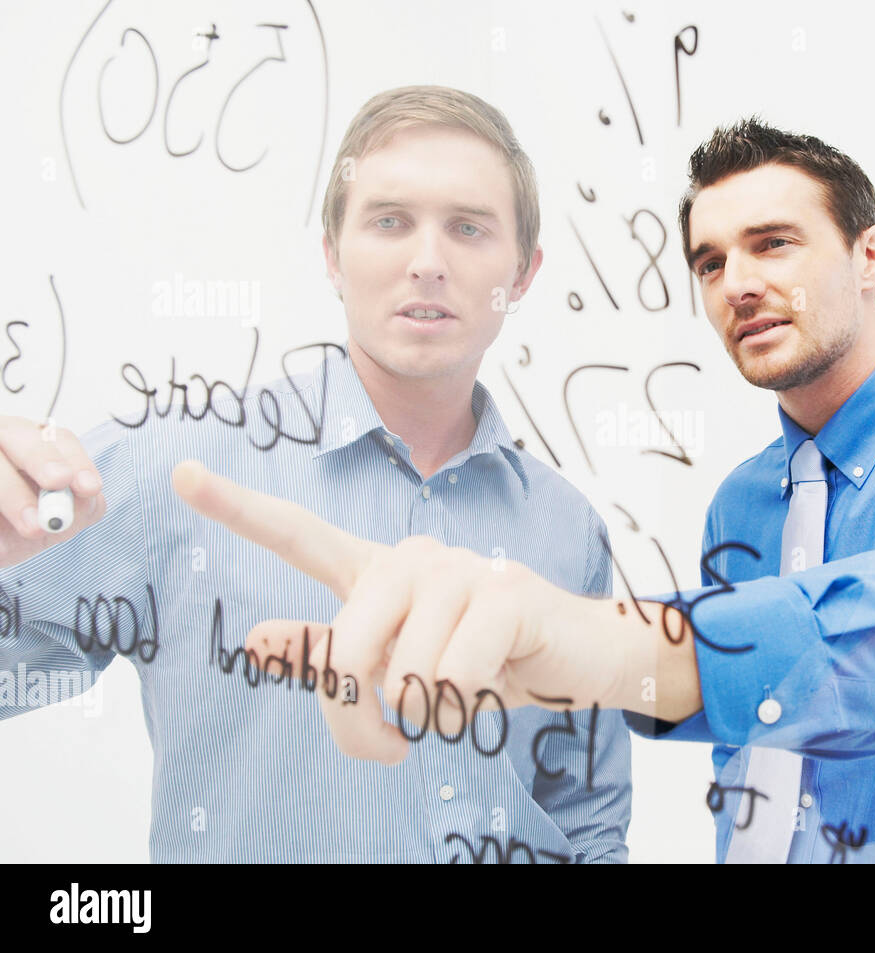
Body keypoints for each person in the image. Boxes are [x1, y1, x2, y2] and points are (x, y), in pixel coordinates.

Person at [168, 118, 875, 865]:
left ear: (871, 255)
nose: (738, 283)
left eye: (774, 243)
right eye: (710, 262)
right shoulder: (744, 506)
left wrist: (601, 644)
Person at [0, 85, 632, 864]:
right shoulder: (181, 466)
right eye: (389, 221)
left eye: (468, 228)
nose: (427, 263)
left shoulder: (567, 528)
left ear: (524, 272)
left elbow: (587, 817)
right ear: (332, 254)